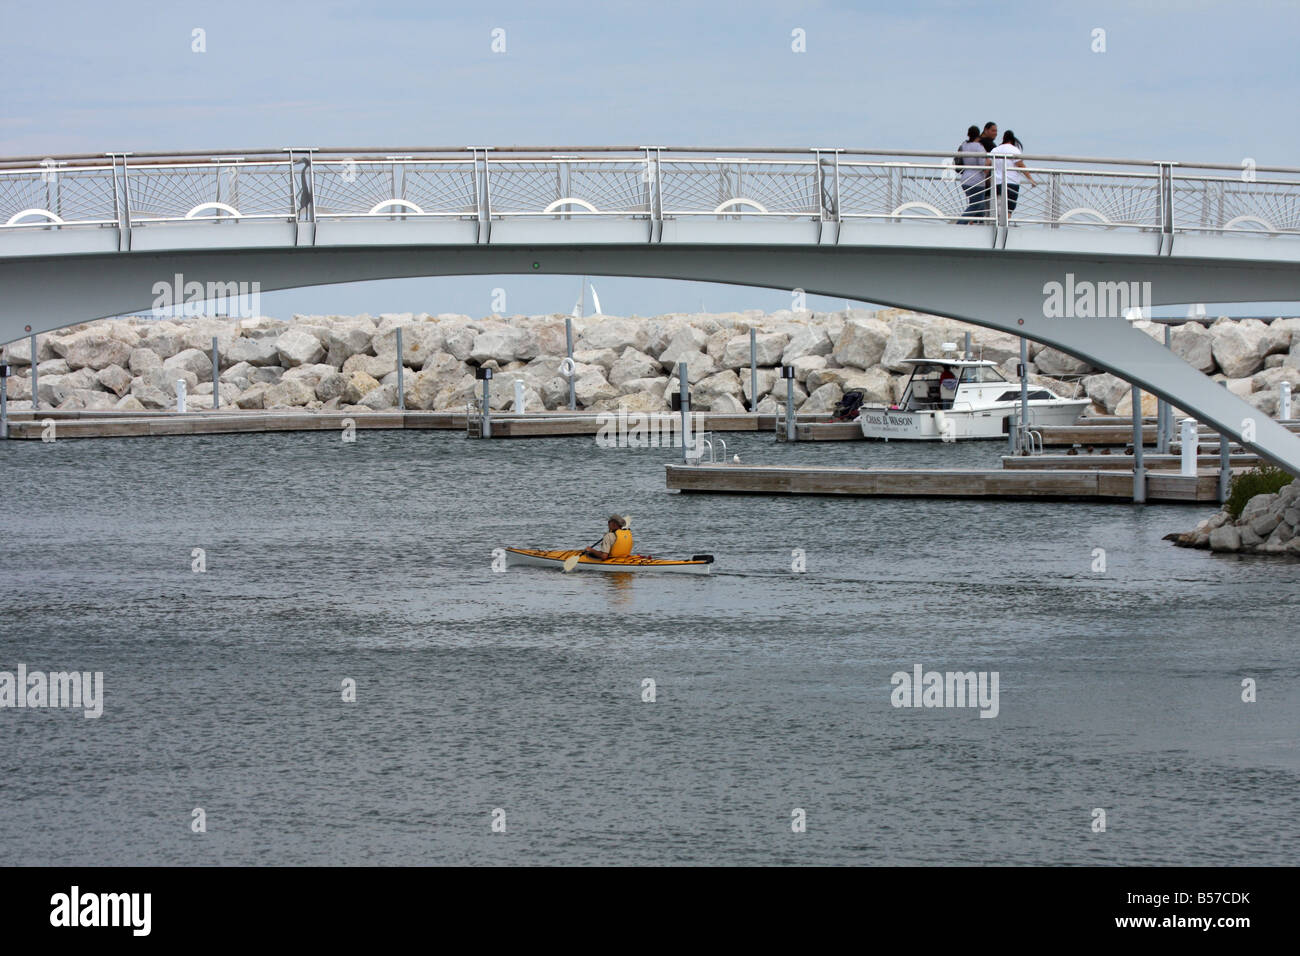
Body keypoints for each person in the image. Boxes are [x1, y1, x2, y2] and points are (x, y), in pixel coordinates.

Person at [990, 130, 1036, 217]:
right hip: (1012, 183)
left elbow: (988, 164)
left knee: (998, 207)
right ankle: (1005, 226)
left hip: (997, 183)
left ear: (1003, 138)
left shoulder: (994, 150)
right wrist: (1031, 179)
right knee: (1009, 209)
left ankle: (998, 224)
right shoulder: (1014, 150)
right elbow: (1020, 165)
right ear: (1012, 140)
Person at [955, 125, 989, 223]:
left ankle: (980, 226)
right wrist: (988, 162)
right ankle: (960, 224)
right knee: (976, 205)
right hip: (977, 180)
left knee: (980, 206)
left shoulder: (964, 145)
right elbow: (982, 165)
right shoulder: (979, 147)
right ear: (978, 135)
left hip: (965, 179)